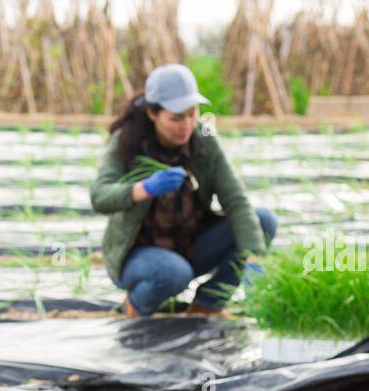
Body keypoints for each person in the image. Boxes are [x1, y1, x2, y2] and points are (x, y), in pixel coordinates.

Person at [89, 64, 277, 317]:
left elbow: (235, 199)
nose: (186, 125)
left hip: (189, 245)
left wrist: (255, 256)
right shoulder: (128, 142)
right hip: (139, 255)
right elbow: (99, 196)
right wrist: (143, 189)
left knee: (263, 221)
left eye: (192, 114)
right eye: (176, 118)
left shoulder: (203, 142)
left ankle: (207, 305)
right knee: (174, 273)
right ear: (153, 113)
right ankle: (136, 305)